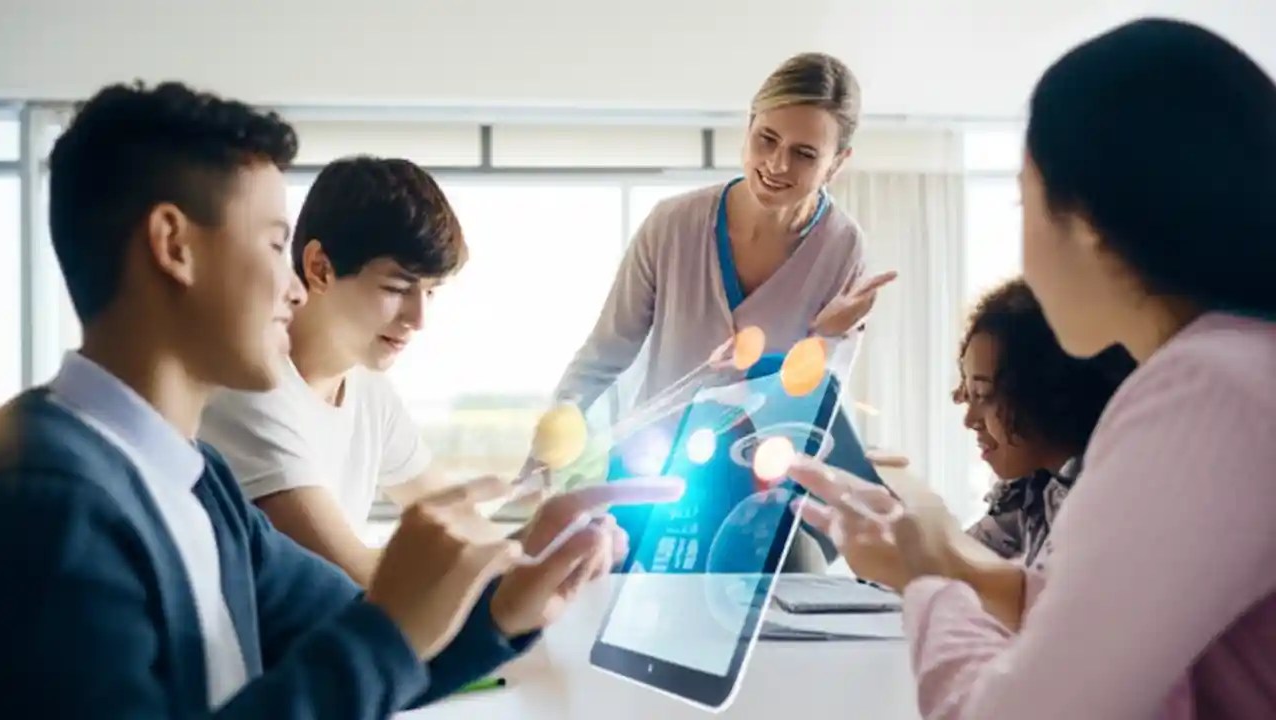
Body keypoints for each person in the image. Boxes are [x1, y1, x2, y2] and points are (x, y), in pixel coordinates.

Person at [0, 80, 682, 718]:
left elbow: (367, 621)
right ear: (174, 246)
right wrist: (394, 624)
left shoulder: (201, 485)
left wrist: (512, 602)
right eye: (273, 244)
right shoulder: (49, 497)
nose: (295, 288)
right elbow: (381, 632)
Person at [791, 18, 1276, 718]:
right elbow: (1115, 619)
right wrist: (946, 561)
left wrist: (932, 582)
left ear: (1085, 222)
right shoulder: (1247, 366)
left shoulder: (1203, 388)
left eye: (1024, 199)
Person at [540, 51, 895, 570]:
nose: (776, 165)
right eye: (766, 140)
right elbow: (606, 351)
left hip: (757, 486)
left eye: (804, 154)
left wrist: (826, 337)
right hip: (651, 465)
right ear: (748, 126)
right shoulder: (672, 224)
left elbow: (817, 404)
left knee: (789, 600)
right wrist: (553, 447)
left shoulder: (843, 247)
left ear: (838, 163)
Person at [199, 156, 468, 586]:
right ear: (320, 268)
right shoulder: (252, 386)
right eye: (397, 288)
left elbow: (460, 522)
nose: (418, 318)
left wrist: (541, 543)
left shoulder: (368, 388)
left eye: (430, 292)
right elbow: (352, 576)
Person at [956, 278, 1133, 568]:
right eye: (967, 394)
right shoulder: (1033, 490)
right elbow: (961, 561)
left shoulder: (1106, 508)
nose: (970, 419)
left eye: (984, 395)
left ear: (1043, 393)